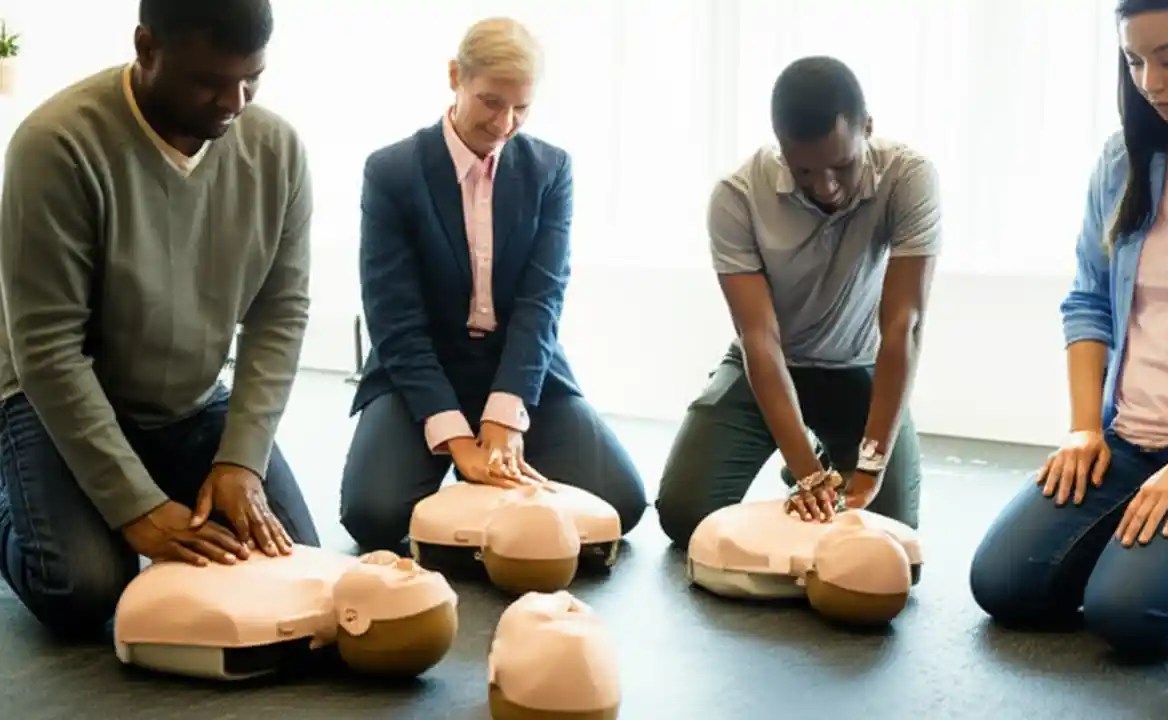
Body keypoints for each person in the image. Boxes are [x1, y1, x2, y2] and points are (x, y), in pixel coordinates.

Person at [0, 0, 320, 640]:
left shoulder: (277, 150)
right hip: (47, 398)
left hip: (190, 400)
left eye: (250, 77)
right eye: (209, 81)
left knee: (290, 560)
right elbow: (48, 348)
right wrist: (135, 506)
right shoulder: (55, 145)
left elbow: (280, 315)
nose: (233, 101)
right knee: (84, 587)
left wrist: (241, 463)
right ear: (146, 48)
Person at [969, 0, 1168, 659]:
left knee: (1132, 613)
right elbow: (1088, 301)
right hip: (1132, 437)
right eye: (1134, 61)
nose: (1150, 82)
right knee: (1003, 584)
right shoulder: (1124, 161)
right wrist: (1085, 428)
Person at [340, 17, 648, 552]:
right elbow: (394, 319)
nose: (506, 123)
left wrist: (505, 416)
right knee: (373, 516)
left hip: (519, 365)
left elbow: (541, 300)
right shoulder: (391, 172)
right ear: (456, 76)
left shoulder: (550, 170)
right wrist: (458, 439)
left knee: (621, 500)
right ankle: (478, 480)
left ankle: (485, 490)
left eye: (521, 107)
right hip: (421, 368)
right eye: (490, 102)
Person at [654, 56, 941, 548]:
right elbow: (758, 339)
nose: (826, 186)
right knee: (685, 515)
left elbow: (903, 326)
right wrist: (809, 474)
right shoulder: (736, 196)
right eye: (805, 170)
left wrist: (871, 464)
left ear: (867, 128)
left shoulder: (909, 177)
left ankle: (826, 456)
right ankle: (806, 455)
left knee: (889, 530)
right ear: (780, 145)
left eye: (842, 166)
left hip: (859, 367)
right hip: (765, 365)